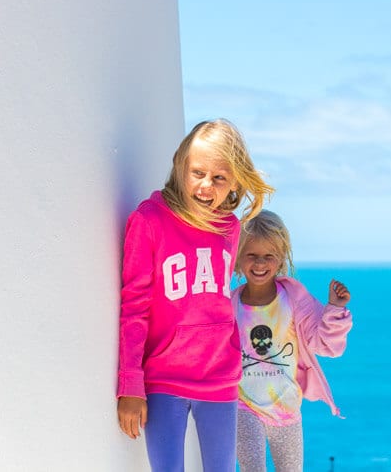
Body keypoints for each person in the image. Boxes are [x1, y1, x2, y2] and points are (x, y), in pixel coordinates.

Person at [117, 119, 274, 471]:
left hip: (220, 377)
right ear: (180, 165)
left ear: (234, 180)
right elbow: (134, 307)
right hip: (163, 379)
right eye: (197, 173)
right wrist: (130, 384)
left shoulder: (229, 227)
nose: (206, 186)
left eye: (219, 177)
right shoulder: (149, 220)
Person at [232, 210, 353, 472]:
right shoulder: (230, 304)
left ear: (282, 258)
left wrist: (333, 308)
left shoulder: (294, 299)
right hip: (243, 405)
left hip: (286, 409)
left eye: (269, 256)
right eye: (251, 255)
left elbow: (323, 343)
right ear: (238, 257)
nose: (260, 263)